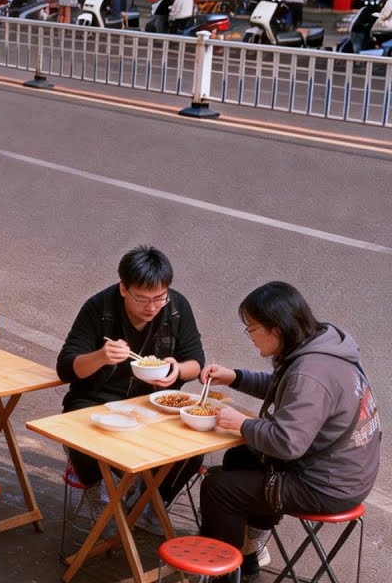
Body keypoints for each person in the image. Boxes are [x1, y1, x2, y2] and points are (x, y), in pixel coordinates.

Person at [198, 282, 381, 581]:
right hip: (348, 472)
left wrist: (241, 423)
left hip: (327, 486)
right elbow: (286, 389)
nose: (249, 336)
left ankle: (225, 576)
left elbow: (286, 443)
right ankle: (249, 554)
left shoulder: (310, 373)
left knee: (218, 489)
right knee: (239, 458)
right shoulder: (323, 345)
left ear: (277, 329)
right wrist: (234, 377)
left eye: (252, 328)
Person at [56, 245, 205, 532]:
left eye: (159, 298)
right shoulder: (99, 308)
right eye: (142, 299)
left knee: (192, 450)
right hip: (98, 399)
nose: (152, 307)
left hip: (153, 401)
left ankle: (149, 504)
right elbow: (66, 368)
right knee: (77, 431)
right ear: (124, 288)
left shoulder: (176, 307)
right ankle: (103, 497)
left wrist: (177, 369)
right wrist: (100, 356)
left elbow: (196, 362)